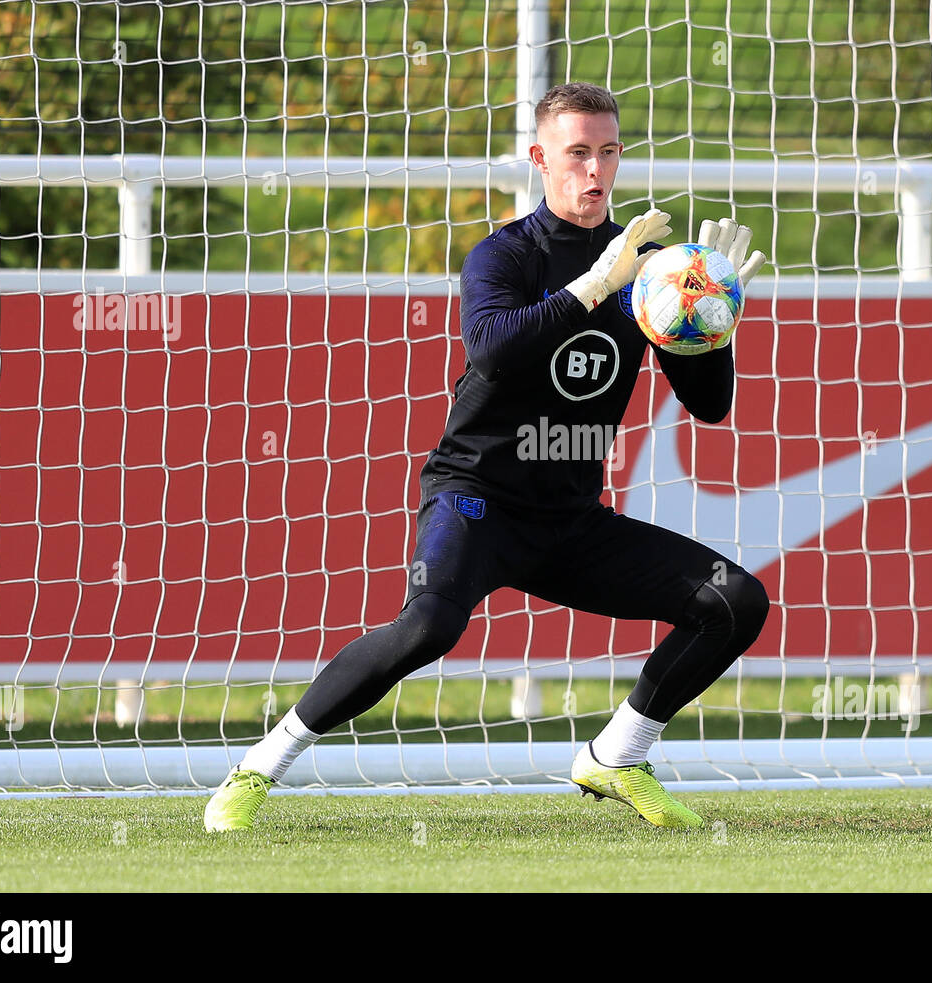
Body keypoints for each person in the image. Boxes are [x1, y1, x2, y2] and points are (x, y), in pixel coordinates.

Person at [204, 82, 768, 832]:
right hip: (476, 498)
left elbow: (709, 406)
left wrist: (711, 325)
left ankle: (619, 753)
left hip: (569, 519)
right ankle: (256, 768)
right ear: (540, 159)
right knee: (430, 626)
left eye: (606, 153)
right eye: (576, 154)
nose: (594, 171)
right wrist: (596, 282)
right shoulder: (505, 255)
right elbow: (495, 351)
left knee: (735, 601)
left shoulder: (659, 272)